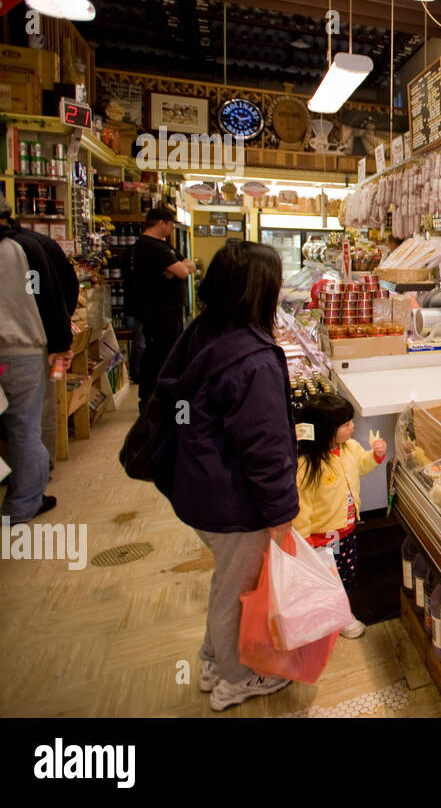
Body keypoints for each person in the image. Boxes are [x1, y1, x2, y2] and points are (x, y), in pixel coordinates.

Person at [152, 240, 300, 711]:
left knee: (226, 582)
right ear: (261, 291)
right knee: (238, 589)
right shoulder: (254, 357)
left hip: (198, 483)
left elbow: (172, 399)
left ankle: (214, 660)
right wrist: (281, 511)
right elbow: (266, 445)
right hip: (232, 497)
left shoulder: (205, 331)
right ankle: (237, 679)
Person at [0, 189, 77, 520]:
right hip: (22, 350)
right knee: (24, 428)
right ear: (5, 214)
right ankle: (22, 505)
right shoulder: (22, 247)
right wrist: (61, 343)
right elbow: (50, 299)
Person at [292, 392, 386, 638]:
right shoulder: (306, 465)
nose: (352, 426)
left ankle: (337, 613)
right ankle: (338, 617)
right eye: (346, 424)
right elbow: (300, 505)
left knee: (346, 573)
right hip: (321, 537)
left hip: (347, 530)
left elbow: (361, 465)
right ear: (326, 430)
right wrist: (304, 539)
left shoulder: (350, 448)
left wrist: (375, 455)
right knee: (326, 579)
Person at [129, 206, 195, 411]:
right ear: (161, 223)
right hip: (159, 310)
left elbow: (189, 265)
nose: (173, 227)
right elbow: (185, 272)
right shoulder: (151, 247)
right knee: (159, 354)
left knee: (164, 352)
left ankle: (160, 396)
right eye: (171, 223)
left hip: (166, 309)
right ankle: (154, 399)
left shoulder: (162, 246)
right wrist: (179, 269)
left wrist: (178, 268)